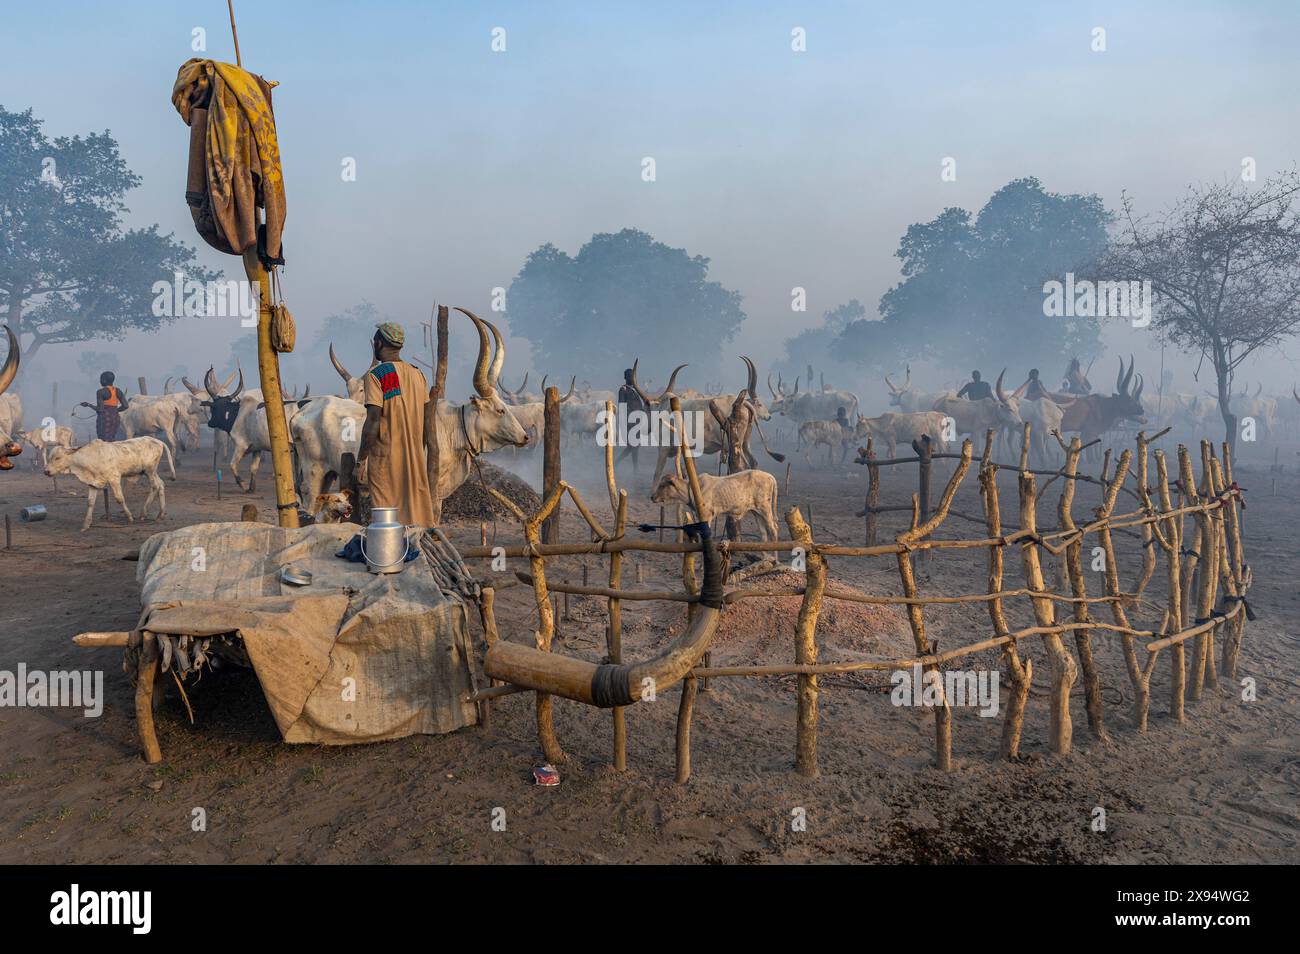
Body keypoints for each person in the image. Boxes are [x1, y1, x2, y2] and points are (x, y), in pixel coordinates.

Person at [357, 322, 435, 527]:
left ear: (379, 344)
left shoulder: (377, 374)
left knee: (386, 513)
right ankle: (414, 547)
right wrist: (420, 451)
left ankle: (390, 551)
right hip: (415, 455)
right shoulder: (418, 374)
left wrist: (361, 459)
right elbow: (427, 421)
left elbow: (373, 422)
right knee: (414, 509)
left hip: (386, 457)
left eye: (375, 342)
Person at [615, 367, 649, 472]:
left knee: (634, 446)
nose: (632, 378)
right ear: (625, 377)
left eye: (633, 376)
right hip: (630, 420)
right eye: (630, 376)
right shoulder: (623, 390)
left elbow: (638, 404)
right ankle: (634, 468)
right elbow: (621, 406)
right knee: (634, 445)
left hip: (637, 419)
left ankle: (618, 463)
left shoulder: (635, 389)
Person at [80, 371, 129, 441]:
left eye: (101, 379)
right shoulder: (118, 391)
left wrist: (88, 405)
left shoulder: (101, 392)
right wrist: (115, 410)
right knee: (112, 438)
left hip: (105, 419)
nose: (100, 381)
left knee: (103, 441)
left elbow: (100, 409)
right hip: (115, 418)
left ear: (104, 380)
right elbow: (126, 406)